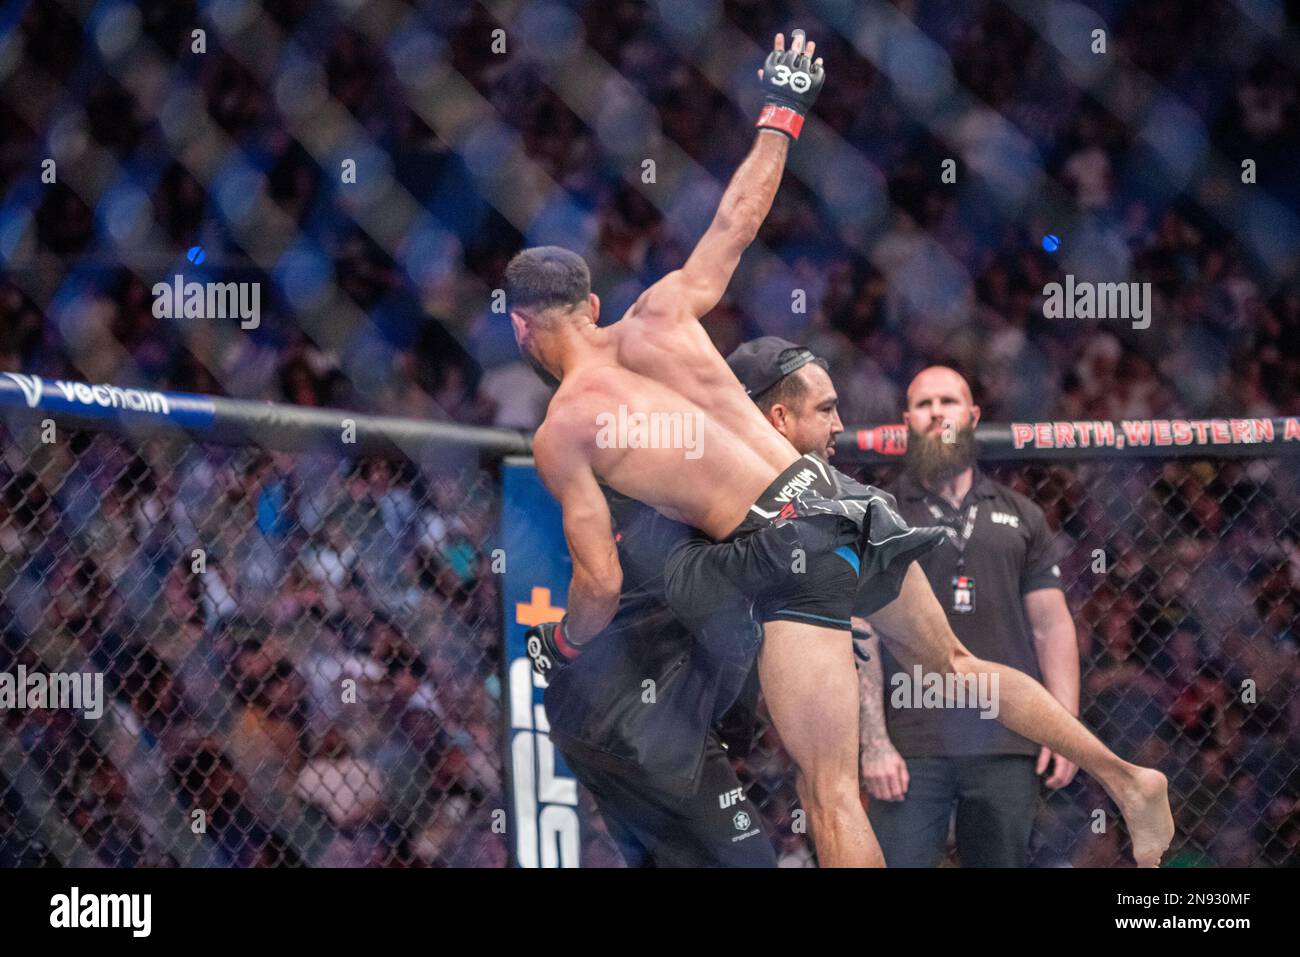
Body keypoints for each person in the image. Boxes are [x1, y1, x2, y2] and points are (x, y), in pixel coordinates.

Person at [512, 28, 1172, 867]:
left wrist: (565, 644)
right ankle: (1124, 775)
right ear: (594, 301)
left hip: (781, 546)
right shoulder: (662, 314)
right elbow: (739, 217)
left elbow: (601, 581)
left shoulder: (562, 424)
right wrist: (783, 107)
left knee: (827, 788)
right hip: (837, 500)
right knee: (959, 661)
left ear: (521, 325)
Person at [545, 337, 847, 867]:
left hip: (622, 716)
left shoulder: (736, 489)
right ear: (776, 418)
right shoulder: (725, 495)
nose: (839, 426)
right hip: (637, 718)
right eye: (825, 410)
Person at [858, 366, 1079, 866]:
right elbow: (861, 630)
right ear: (907, 420)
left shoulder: (1021, 514)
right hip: (910, 740)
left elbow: (1052, 626)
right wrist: (873, 742)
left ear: (973, 415)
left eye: (949, 401)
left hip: (1006, 734)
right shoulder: (881, 513)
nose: (937, 412)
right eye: (923, 404)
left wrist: (1065, 729)